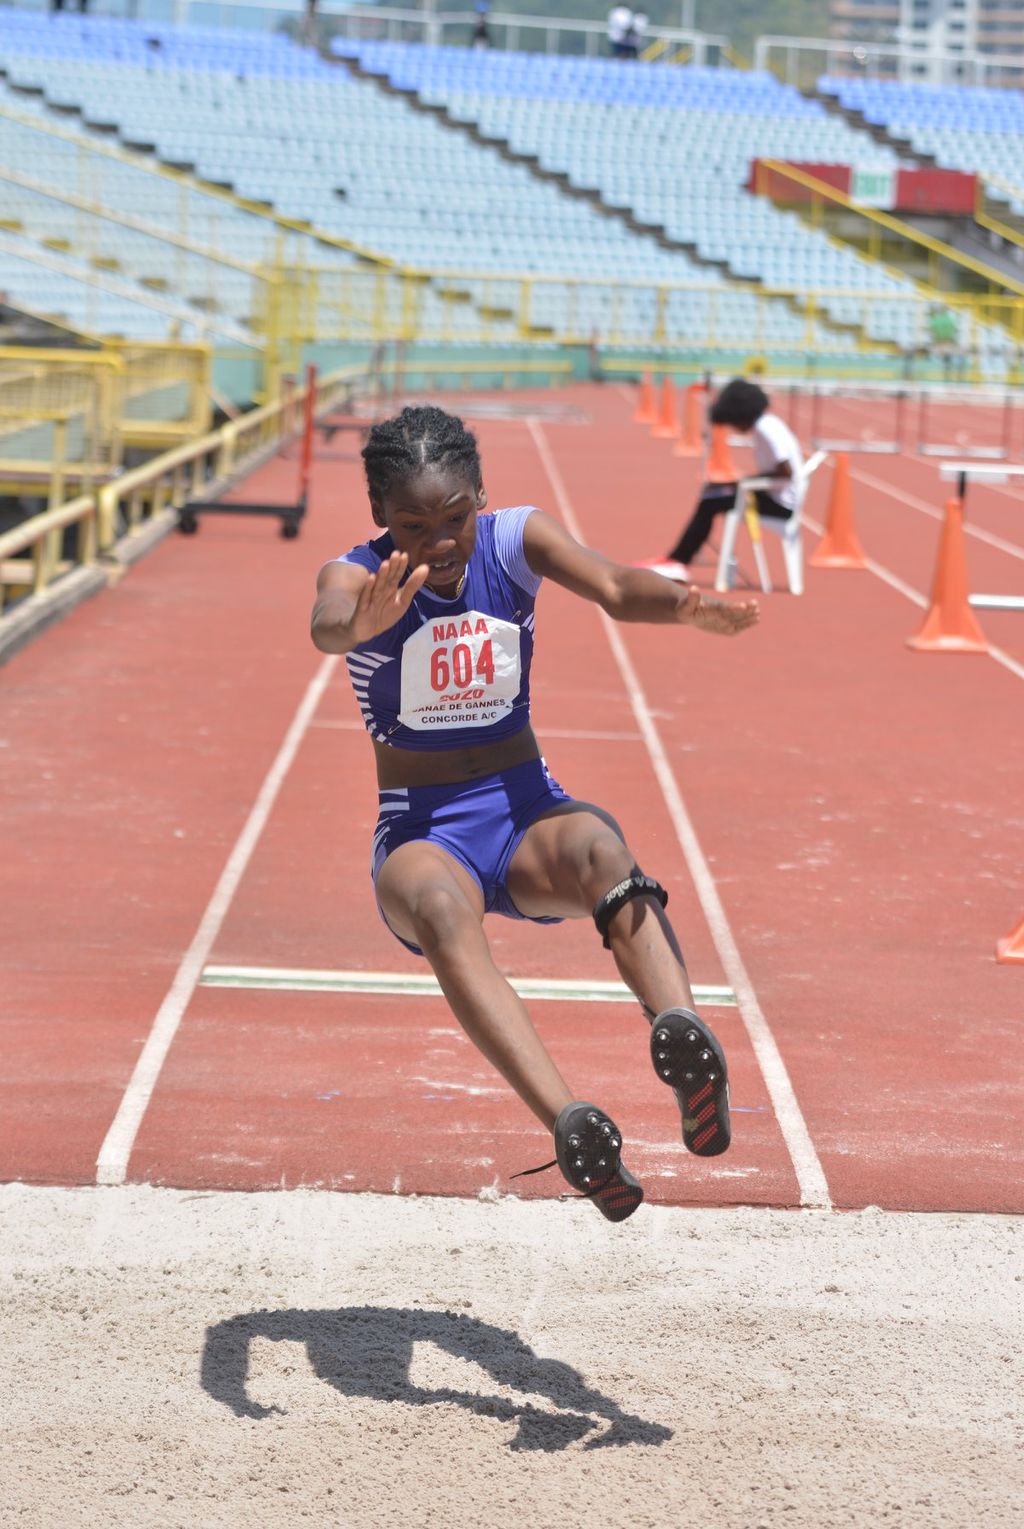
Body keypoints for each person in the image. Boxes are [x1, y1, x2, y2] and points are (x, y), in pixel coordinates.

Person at [311, 406, 758, 1222]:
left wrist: (690, 605)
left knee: (600, 848)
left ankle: (685, 1034)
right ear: (381, 515)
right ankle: (572, 1121)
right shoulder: (355, 574)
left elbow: (619, 587)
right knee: (444, 911)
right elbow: (327, 625)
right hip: (420, 826)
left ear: (481, 495)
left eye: (455, 518)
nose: (441, 542)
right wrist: (359, 624)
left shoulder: (515, 540)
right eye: (415, 525)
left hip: (523, 808)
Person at [663, 377, 804, 575]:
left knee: (710, 501)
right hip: (774, 495)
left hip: (779, 504)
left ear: (740, 415)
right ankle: (678, 558)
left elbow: (786, 471)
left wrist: (746, 482)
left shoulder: (766, 429)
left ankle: (678, 560)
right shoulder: (767, 424)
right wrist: (741, 483)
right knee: (712, 492)